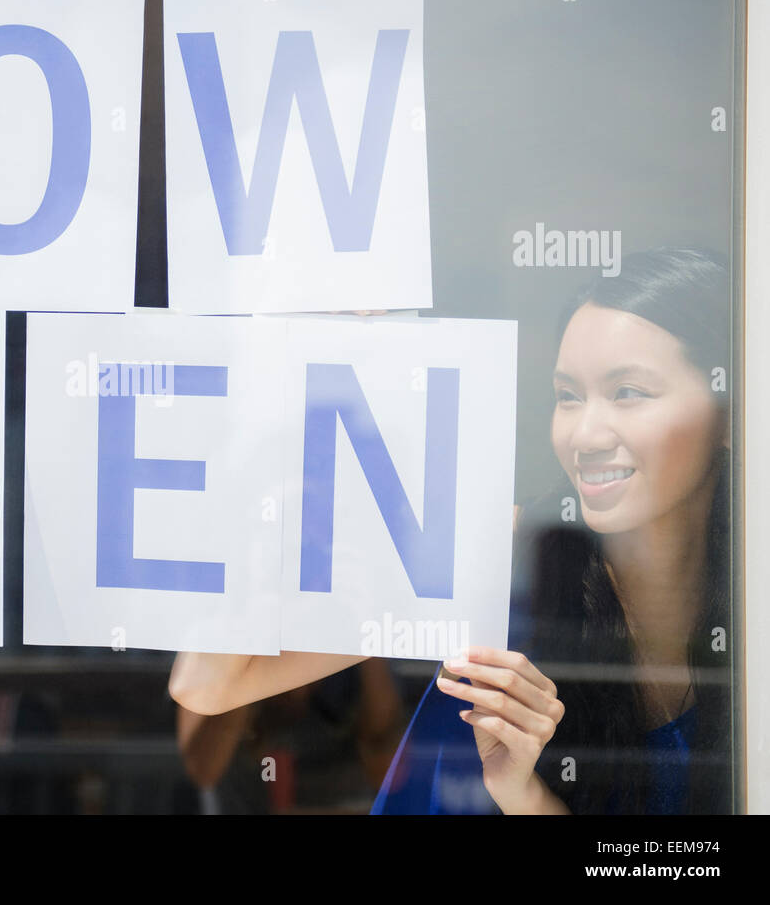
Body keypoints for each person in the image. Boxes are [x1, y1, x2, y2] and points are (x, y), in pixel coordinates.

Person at [169, 248, 733, 814]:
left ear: (730, 412)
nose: (584, 435)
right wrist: (306, 381)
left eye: (628, 393)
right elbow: (206, 683)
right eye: (568, 397)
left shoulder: (744, 613)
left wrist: (522, 793)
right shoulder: (490, 549)